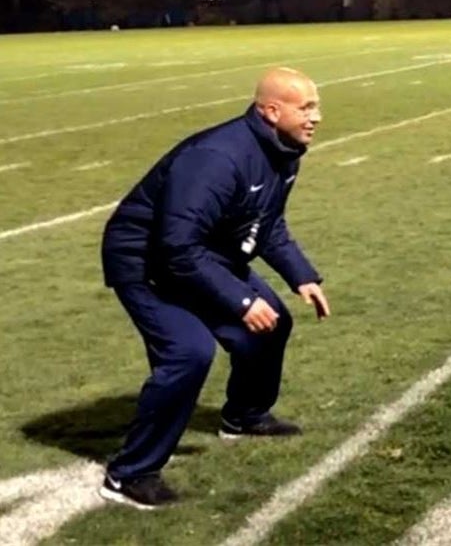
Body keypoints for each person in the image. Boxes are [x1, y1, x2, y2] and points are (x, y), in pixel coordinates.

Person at [97, 67, 331, 509]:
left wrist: (303, 275)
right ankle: (129, 474)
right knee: (188, 352)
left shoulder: (285, 150)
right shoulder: (217, 157)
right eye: (307, 107)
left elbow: (267, 223)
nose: (316, 117)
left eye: (316, 106)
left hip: (200, 254)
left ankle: (243, 416)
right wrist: (240, 300)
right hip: (145, 261)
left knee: (272, 321)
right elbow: (176, 246)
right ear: (271, 110)